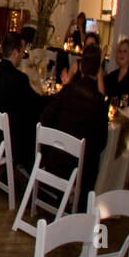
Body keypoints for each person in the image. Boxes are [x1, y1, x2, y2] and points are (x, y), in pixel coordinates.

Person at [39, 44, 108, 205]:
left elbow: (46, 117)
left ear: (80, 67)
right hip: (77, 172)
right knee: (93, 154)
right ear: (98, 71)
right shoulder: (99, 103)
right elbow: (101, 143)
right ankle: (81, 206)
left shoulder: (68, 90)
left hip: (54, 161)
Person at [0, 31, 43, 166]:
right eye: (22, 51)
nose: (23, 55)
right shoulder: (19, 79)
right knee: (36, 124)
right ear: (15, 52)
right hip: (3, 141)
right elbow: (37, 104)